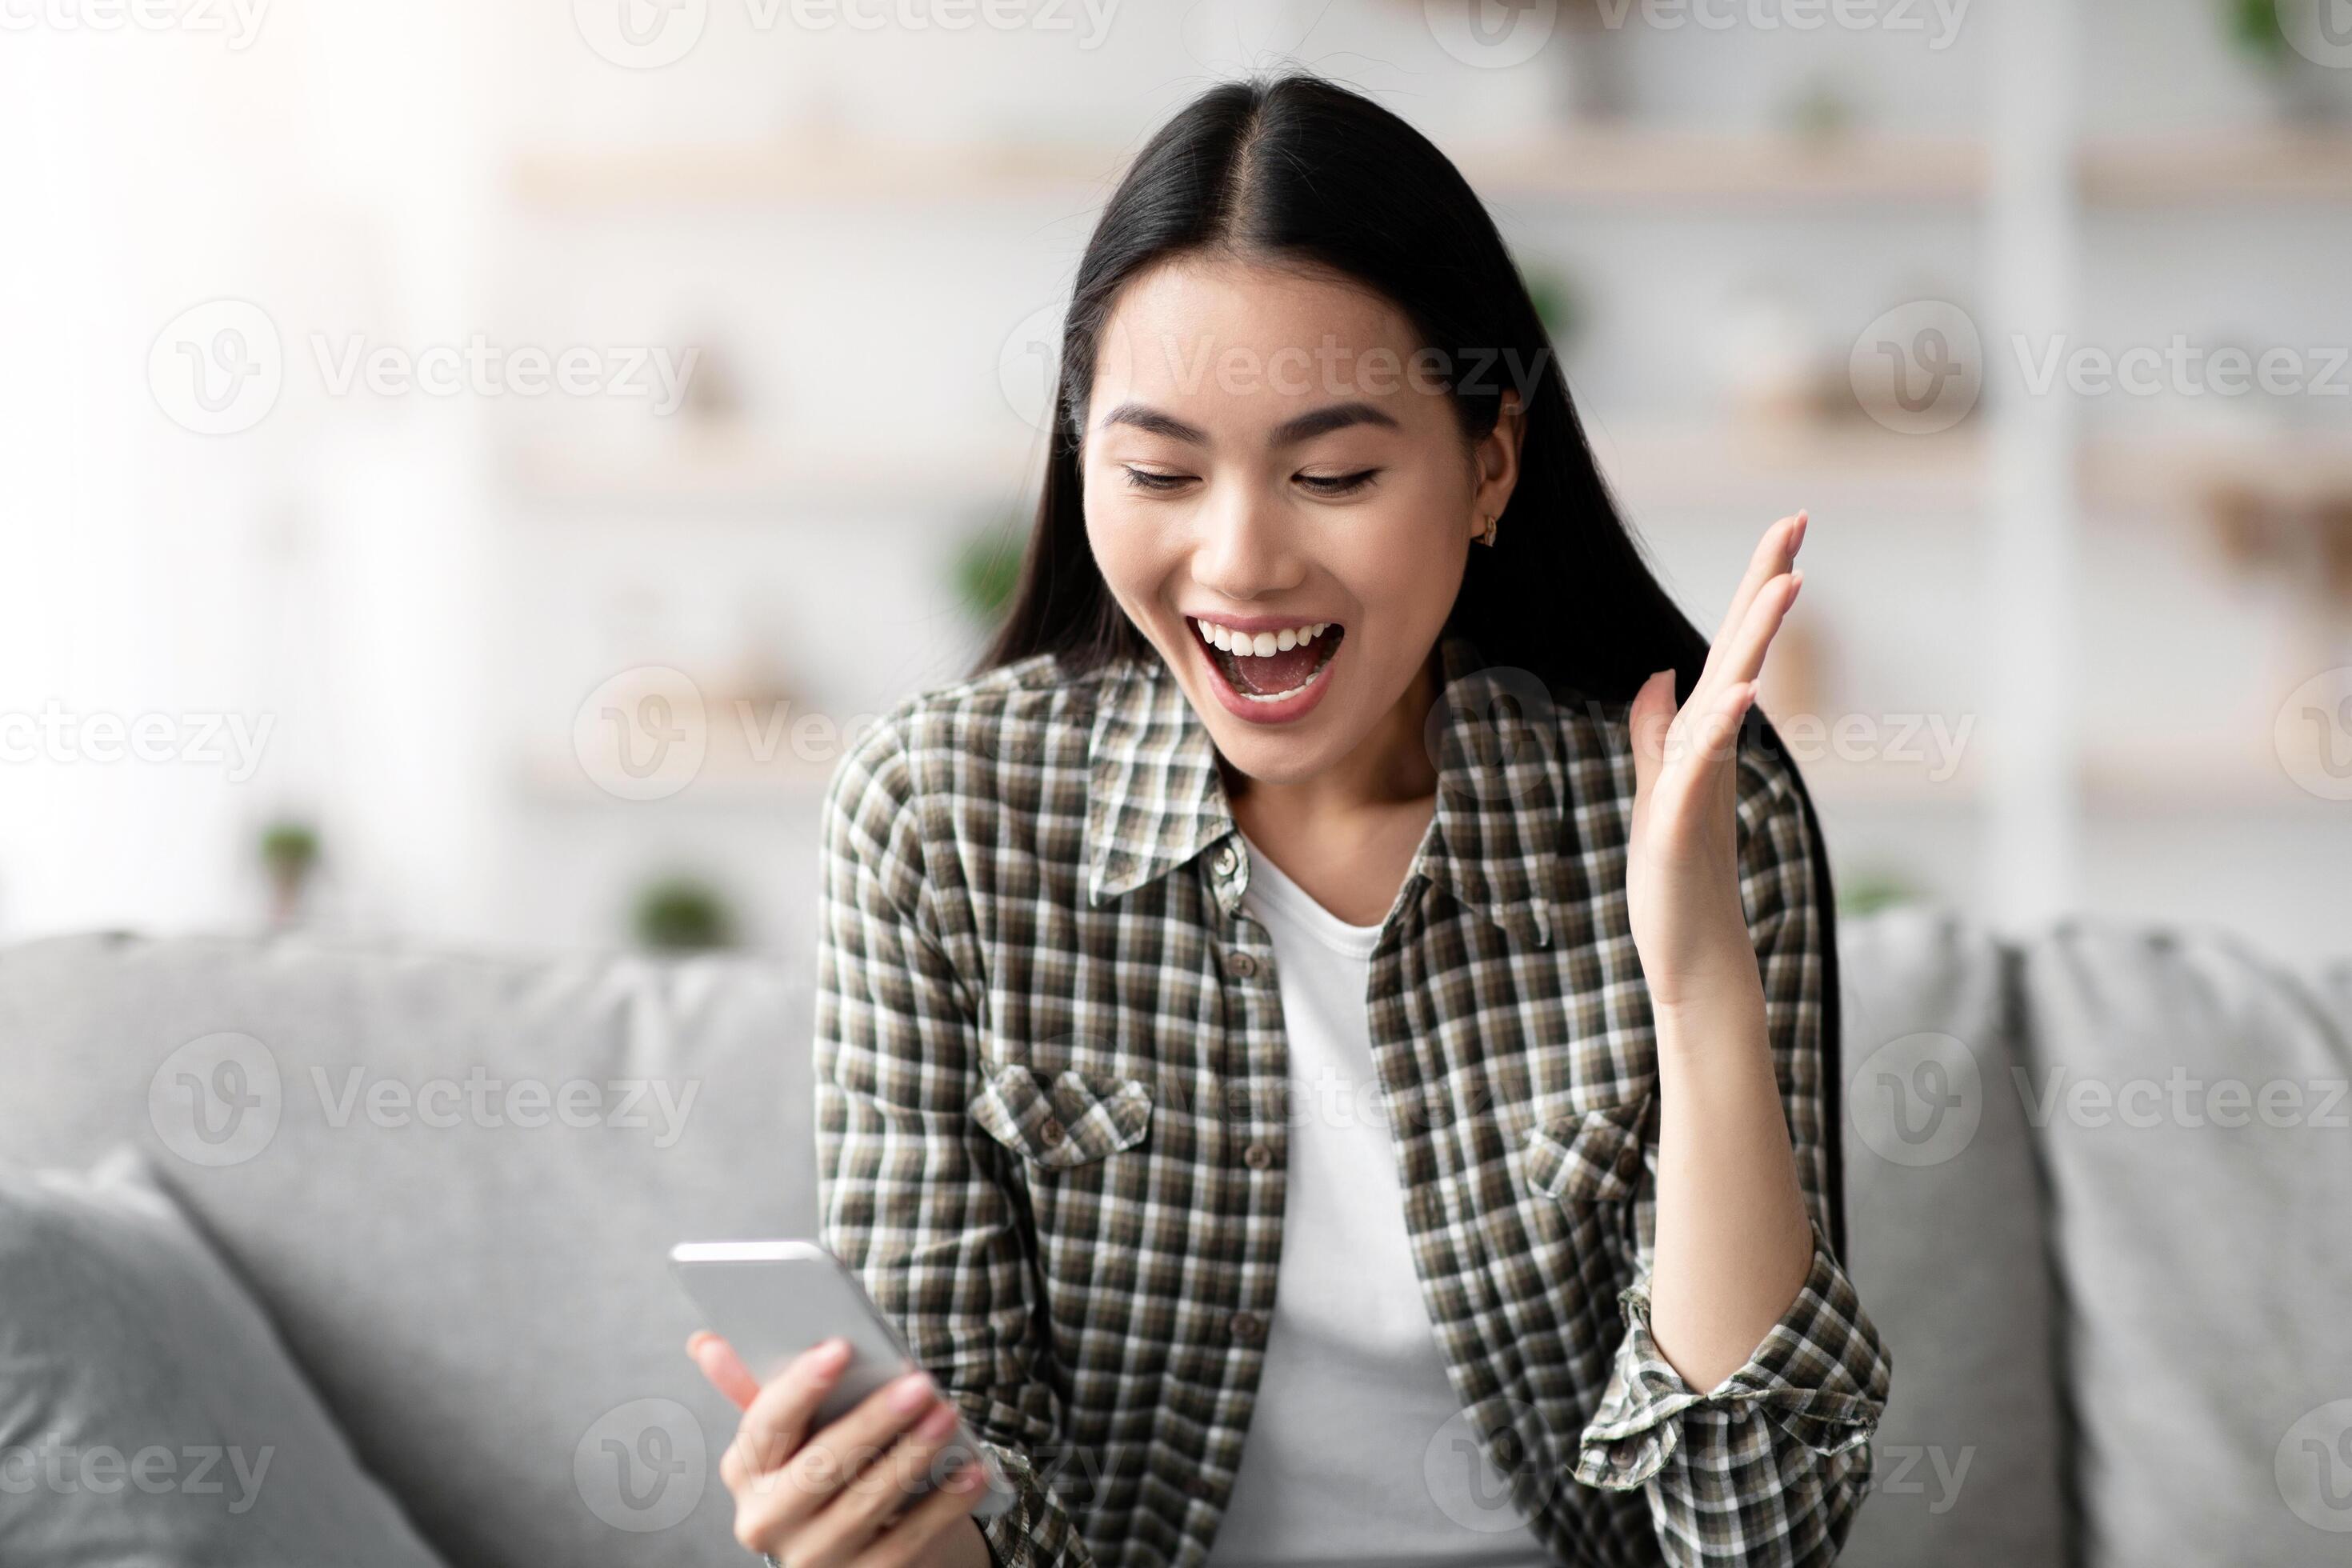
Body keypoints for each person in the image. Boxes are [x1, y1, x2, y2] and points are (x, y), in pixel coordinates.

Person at [689, 70, 1891, 1568]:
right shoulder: (943, 821)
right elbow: (972, 1484)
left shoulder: (1683, 806)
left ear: (1489, 468)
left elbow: (1759, 1534)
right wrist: (874, 1531)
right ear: (1082, 464)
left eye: (1333, 473)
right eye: (1159, 471)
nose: (1240, 560)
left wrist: (1697, 978)